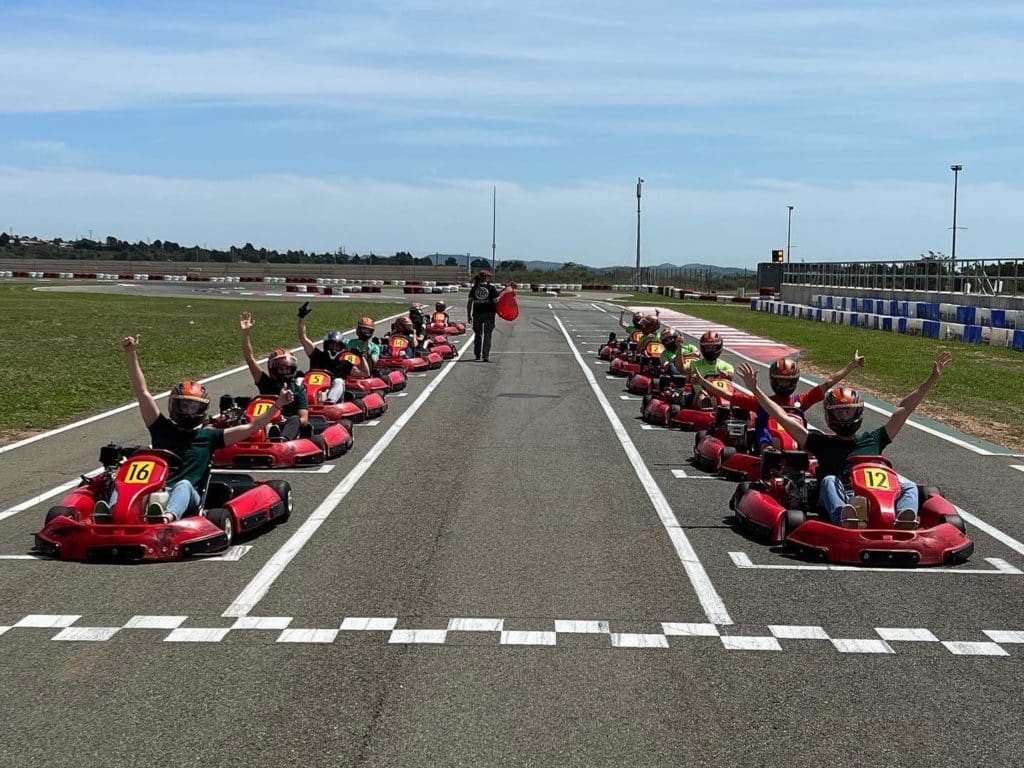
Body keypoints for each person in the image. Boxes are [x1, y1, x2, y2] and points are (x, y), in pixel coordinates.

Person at [737, 351, 952, 529]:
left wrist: (931, 380)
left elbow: (905, 409)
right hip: (844, 494)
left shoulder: (874, 439)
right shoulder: (821, 443)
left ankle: (903, 518)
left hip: (878, 494)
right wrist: (755, 389)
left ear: (858, 414)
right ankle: (843, 517)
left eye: (849, 413)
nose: (845, 418)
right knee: (829, 480)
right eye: (840, 414)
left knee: (910, 487)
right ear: (830, 417)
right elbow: (781, 416)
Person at [97, 334, 294, 523]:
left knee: (183, 485)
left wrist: (277, 405)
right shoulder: (161, 428)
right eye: (184, 406)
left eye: (193, 407)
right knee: (123, 483)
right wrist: (131, 354)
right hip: (155, 489)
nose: (188, 411)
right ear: (174, 406)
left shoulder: (209, 437)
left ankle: (167, 517)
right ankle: (113, 513)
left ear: (203, 409)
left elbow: (252, 426)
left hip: (190, 496)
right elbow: (142, 392)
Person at [695, 351, 866, 451]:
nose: (784, 385)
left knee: (818, 438)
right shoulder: (762, 401)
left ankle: (806, 453)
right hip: (769, 447)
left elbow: (827, 384)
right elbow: (730, 396)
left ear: (794, 381)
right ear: (773, 381)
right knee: (763, 426)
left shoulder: (801, 400)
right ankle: (765, 449)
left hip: (799, 445)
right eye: (781, 380)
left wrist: (851, 366)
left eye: (787, 381)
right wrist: (705, 383)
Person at [239, 311, 311, 439]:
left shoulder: (298, 390)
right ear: (273, 369)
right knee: (238, 411)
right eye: (281, 369)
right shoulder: (265, 382)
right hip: (259, 420)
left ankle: (281, 440)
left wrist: (284, 419)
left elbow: (304, 419)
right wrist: (245, 333)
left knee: (295, 419)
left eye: (287, 369)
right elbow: (250, 359)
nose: (284, 372)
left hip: (284, 424)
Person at [296, 302, 370, 403]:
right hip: (310, 388)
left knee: (339, 381)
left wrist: (361, 357)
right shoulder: (317, 355)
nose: (334, 348)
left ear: (342, 347)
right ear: (327, 345)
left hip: (328, 392)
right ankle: (297, 401)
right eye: (331, 345)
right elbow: (303, 338)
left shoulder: (345, 364)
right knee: (299, 379)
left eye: (337, 345)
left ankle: (330, 402)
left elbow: (365, 373)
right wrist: (301, 317)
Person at [686, 331, 735, 404]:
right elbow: (693, 380)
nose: (710, 350)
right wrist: (694, 378)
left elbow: (731, 375)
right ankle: (708, 405)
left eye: (712, 347)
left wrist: (726, 375)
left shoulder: (726, 366)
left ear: (718, 347)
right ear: (703, 348)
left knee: (737, 399)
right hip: (702, 395)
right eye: (707, 347)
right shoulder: (695, 364)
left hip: (724, 395)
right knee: (703, 397)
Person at [467, 268, 499, 361]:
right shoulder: (491, 288)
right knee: (488, 334)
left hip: (477, 314)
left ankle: (477, 355)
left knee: (478, 334)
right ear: (486, 278)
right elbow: (496, 300)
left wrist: (468, 315)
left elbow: (470, 303)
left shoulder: (474, 289)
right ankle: (486, 356)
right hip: (489, 314)